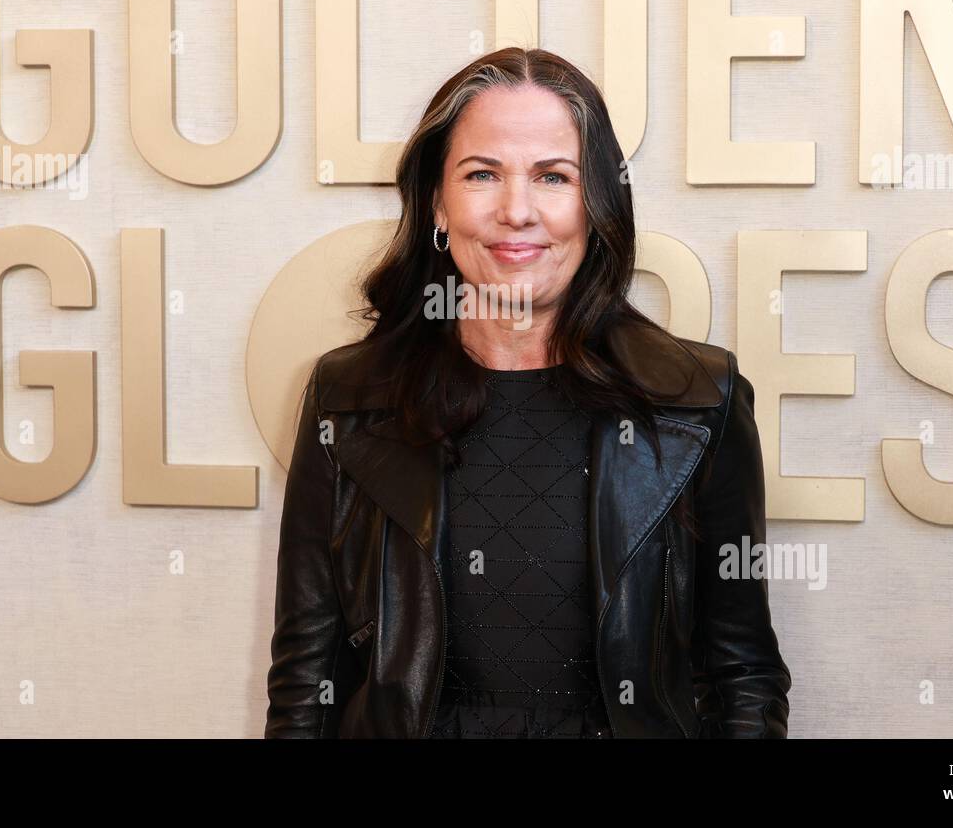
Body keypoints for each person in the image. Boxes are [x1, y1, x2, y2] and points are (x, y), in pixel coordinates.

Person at [265, 47, 790, 738]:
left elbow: (743, 674)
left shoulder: (697, 401)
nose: (517, 212)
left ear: (597, 202)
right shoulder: (348, 397)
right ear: (438, 205)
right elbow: (308, 679)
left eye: (553, 177)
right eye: (481, 174)